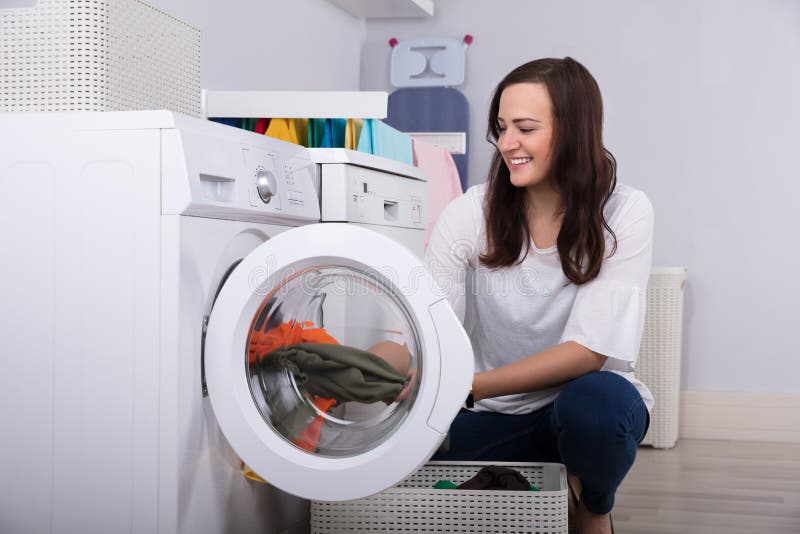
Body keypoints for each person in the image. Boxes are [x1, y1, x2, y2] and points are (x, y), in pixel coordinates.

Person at [425, 57, 653, 534]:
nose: (507, 144)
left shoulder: (625, 211)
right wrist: (358, 365)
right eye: (502, 128)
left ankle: (593, 506)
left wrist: (471, 385)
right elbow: (427, 325)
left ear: (573, 131)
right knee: (421, 465)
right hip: (493, 415)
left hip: (577, 411)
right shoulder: (472, 210)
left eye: (525, 128)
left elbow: (590, 351)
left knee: (600, 407)